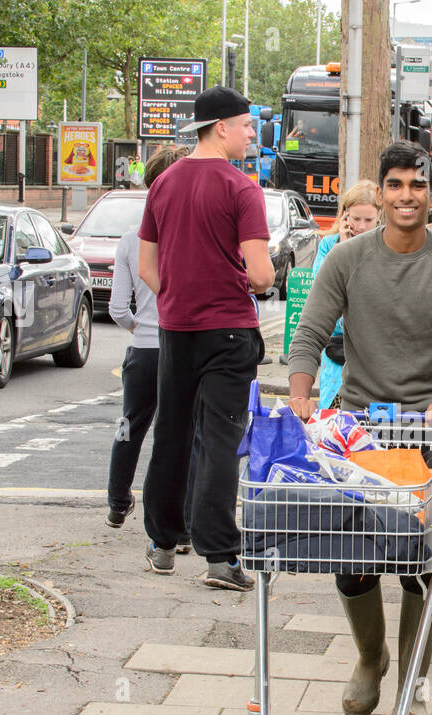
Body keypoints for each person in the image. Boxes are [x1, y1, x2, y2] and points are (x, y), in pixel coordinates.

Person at [287, 142, 432, 715]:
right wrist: (301, 397)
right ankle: (371, 659)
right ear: (379, 193)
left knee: (419, 562)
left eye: (417, 185)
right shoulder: (347, 259)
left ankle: (415, 678)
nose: (406, 196)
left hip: (423, 432)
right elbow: (309, 333)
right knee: (351, 559)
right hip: (358, 430)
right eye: (395, 185)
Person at [137, 85, 274, 590]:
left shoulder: (163, 184)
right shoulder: (242, 189)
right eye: (246, 126)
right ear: (221, 127)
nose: (251, 135)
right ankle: (220, 558)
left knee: (170, 432)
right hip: (229, 332)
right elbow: (260, 275)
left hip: (175, 328)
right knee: (220, 437)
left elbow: (146, 265)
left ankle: (162, 543)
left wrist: (176, 295)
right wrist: (249, 281)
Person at [106, 145, 191, 542]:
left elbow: (118, 308)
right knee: (180, 434)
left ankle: (118, 501)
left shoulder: (129, 240)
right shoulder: (191, 237)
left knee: (130, 425)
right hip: (183, 344)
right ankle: (182, 519)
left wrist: (140, 329)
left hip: (143, 347)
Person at [312, 180, 381, 409]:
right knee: (332, 421)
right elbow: (324, 297)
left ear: (380, 217)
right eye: (355, 218)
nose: (361, 226)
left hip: (373, 352)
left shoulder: (385, 247)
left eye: (368, 220)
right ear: (344, 216)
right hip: (336, 351)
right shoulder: (329, 245)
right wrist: (343, 249)